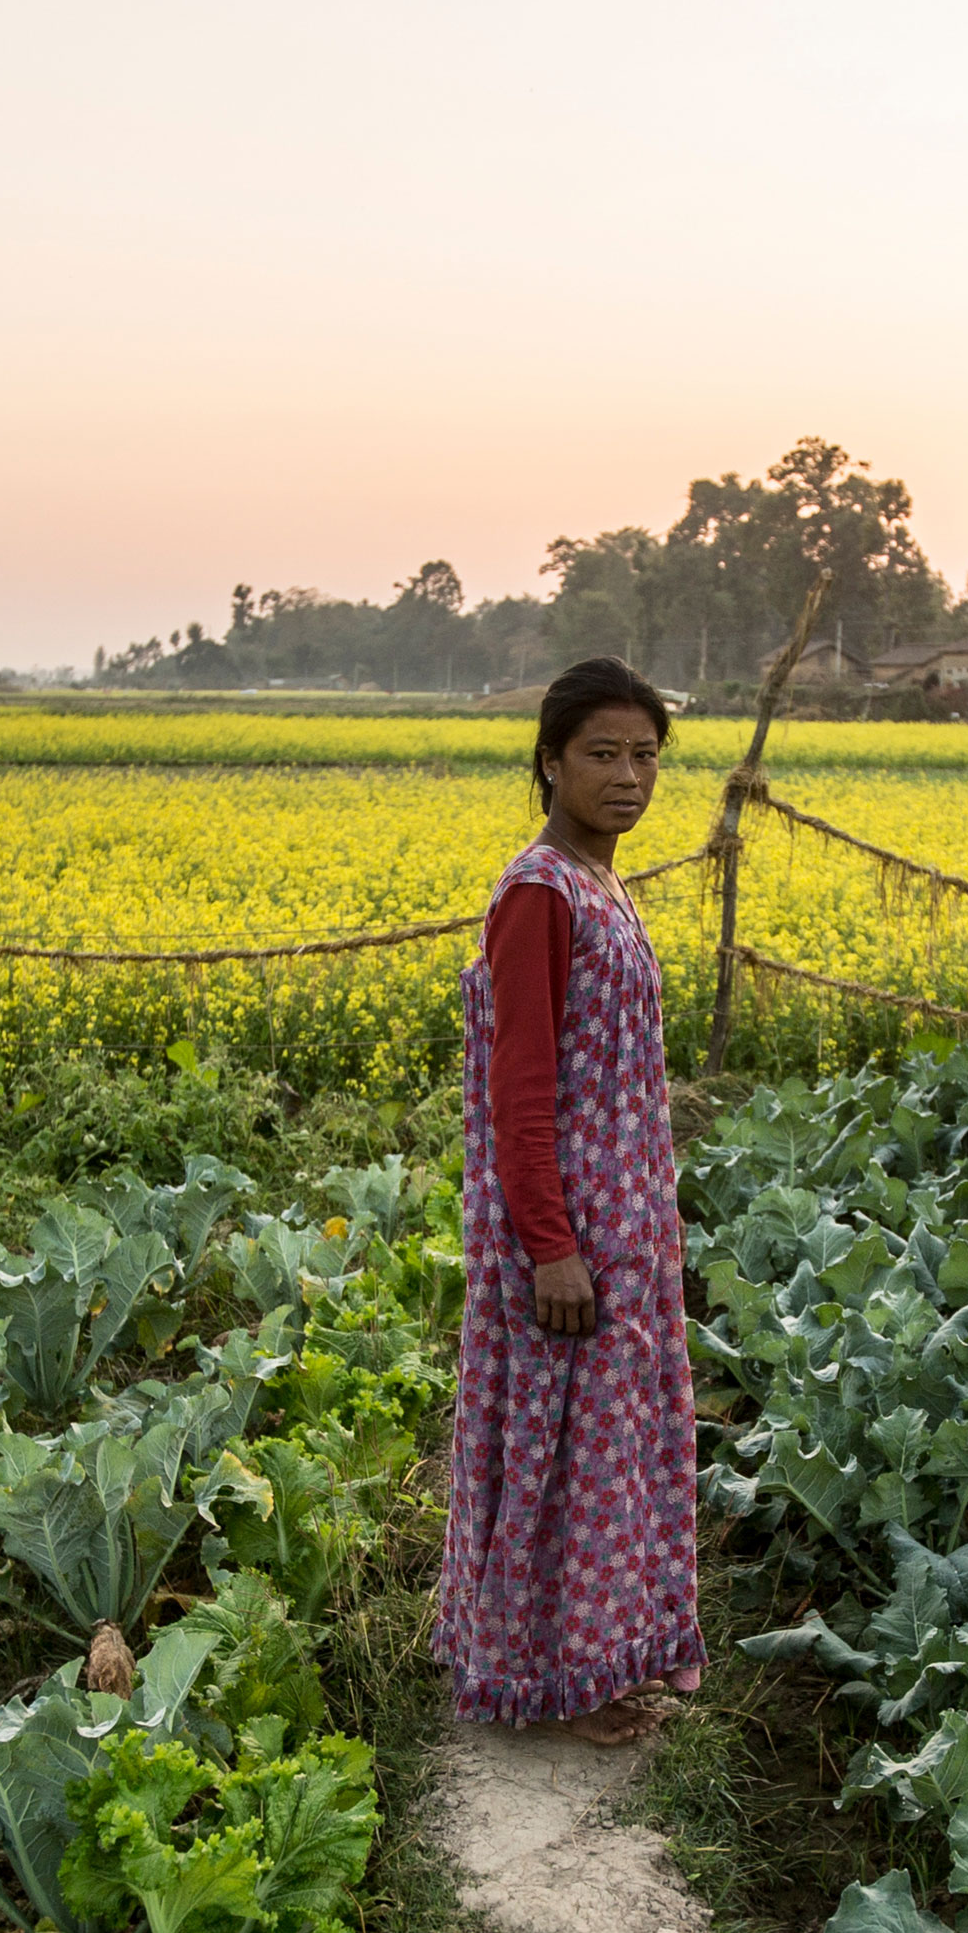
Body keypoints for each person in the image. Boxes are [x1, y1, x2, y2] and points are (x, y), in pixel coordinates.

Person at [436, 657, 704, 1743]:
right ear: (549, 761)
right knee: (557, 1457)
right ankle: (555, 1678)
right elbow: (522, 1090)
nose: (628, 775)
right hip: (570, 1234)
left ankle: (588, 1661)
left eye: (644, 754)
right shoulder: (540, 891)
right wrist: (551, 1244)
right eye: (602, 752)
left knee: (601, 1453)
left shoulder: (599, 880)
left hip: (621, 1227)